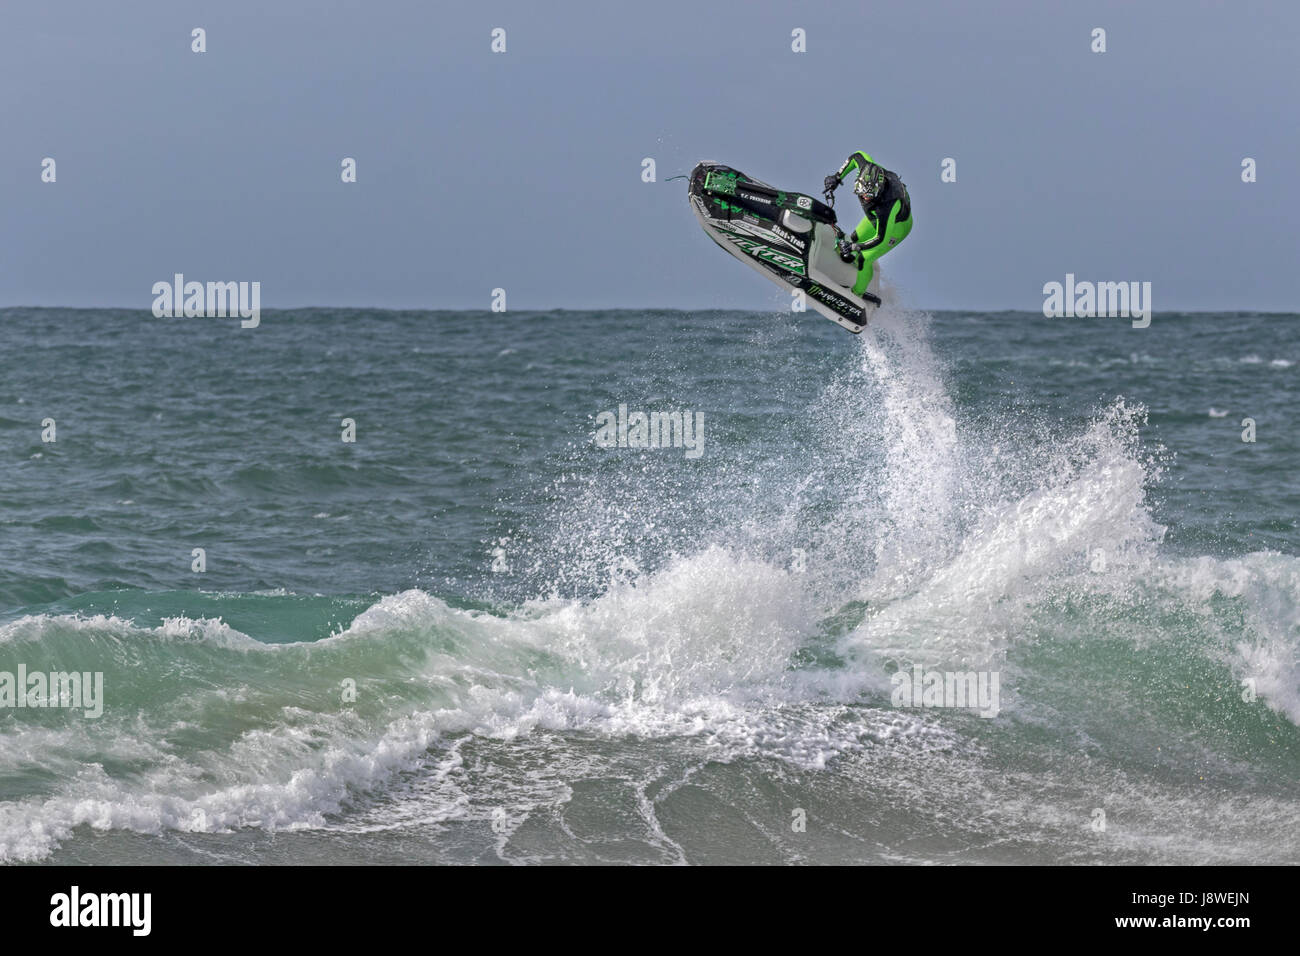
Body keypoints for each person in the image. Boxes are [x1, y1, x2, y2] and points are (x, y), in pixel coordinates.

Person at [823, 151, 912, 296]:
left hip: (896, 228)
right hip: (874, 219)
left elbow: (881, 238)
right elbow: (856, 155)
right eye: (862, 193)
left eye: (868, 196)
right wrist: (837, 177)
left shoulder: (888, 205)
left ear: (879, 190)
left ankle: (857, 294)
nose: (864, 198)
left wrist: (854, 247)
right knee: (852, 239)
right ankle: (852, 269)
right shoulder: (867, 167)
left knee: (864, 257)